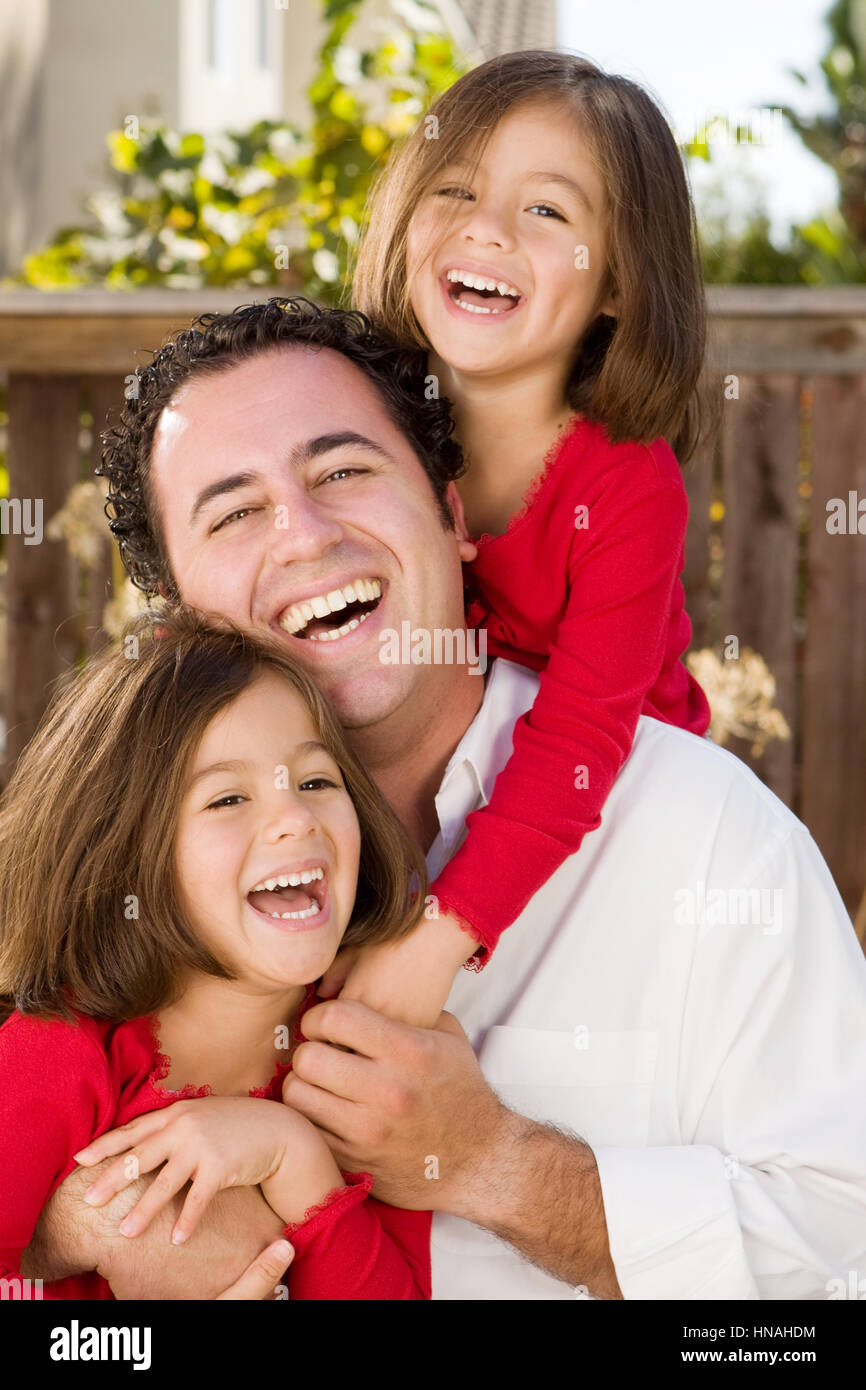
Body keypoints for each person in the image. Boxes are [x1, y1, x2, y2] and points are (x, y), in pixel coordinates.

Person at [23, 297, 866, 1301]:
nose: (303, 532)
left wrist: (491, 1163)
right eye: (234, 512)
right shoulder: (105, 884)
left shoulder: (705, 841)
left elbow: (837, 1258)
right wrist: (69, 1227)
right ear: (173, 620)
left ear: (451, 516)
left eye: (343, 469)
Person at [337, 49, 714, 1026]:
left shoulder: (626, 486)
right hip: (434, 809)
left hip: (609, 828)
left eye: (545, 210)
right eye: (454, 187)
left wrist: (440, 933)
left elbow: (582, 743)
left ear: (618, 285)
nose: (485, 228)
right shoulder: (370, 423)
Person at [0, 608, 430, 1299]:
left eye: (317, 781)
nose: (296, 818)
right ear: (126, 859)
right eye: (228, 798)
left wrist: (294, 1155)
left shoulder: (376, 1062)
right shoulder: (55, 1061)